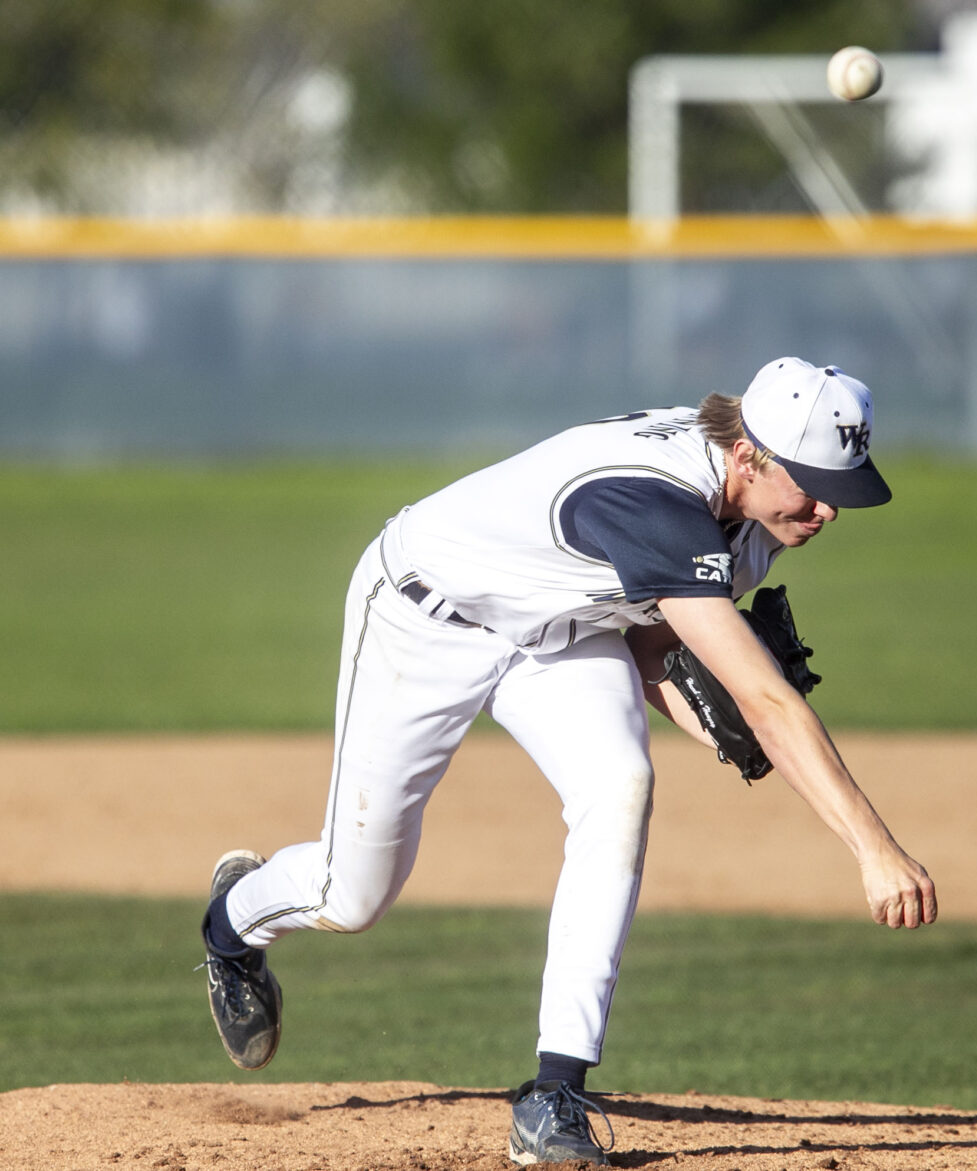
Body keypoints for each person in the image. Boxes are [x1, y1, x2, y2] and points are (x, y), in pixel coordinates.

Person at [198, 355, 937, 1166]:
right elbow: (765, 697)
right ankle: (234, 921)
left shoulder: (760, 514)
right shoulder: (657, 500)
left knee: (619, 785)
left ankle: (554, 1094)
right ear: (750, 454)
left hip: (558, 627)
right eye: (813, 483)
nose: (828, 506)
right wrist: (873, 847)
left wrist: (725, 729)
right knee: (354, 893)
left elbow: (659, 646)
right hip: (426, 614)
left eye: (841, 485)